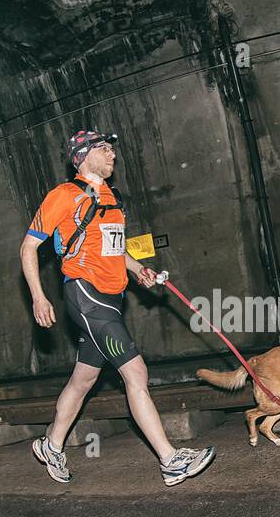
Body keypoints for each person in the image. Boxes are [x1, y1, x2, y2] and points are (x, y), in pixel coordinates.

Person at [20, 129, 215, 487]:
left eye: (112, 148)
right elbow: (28, 248)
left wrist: (140, 269)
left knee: (84, 379)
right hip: (85, 294)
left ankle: (51, 445)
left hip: (113, 298)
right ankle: (170, 460)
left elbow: (114, 249)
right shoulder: (64, 196)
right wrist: (38, 295)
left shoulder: (112, 196)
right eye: (104, 148)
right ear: (81, 157)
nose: (113, 154)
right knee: (136, 373)